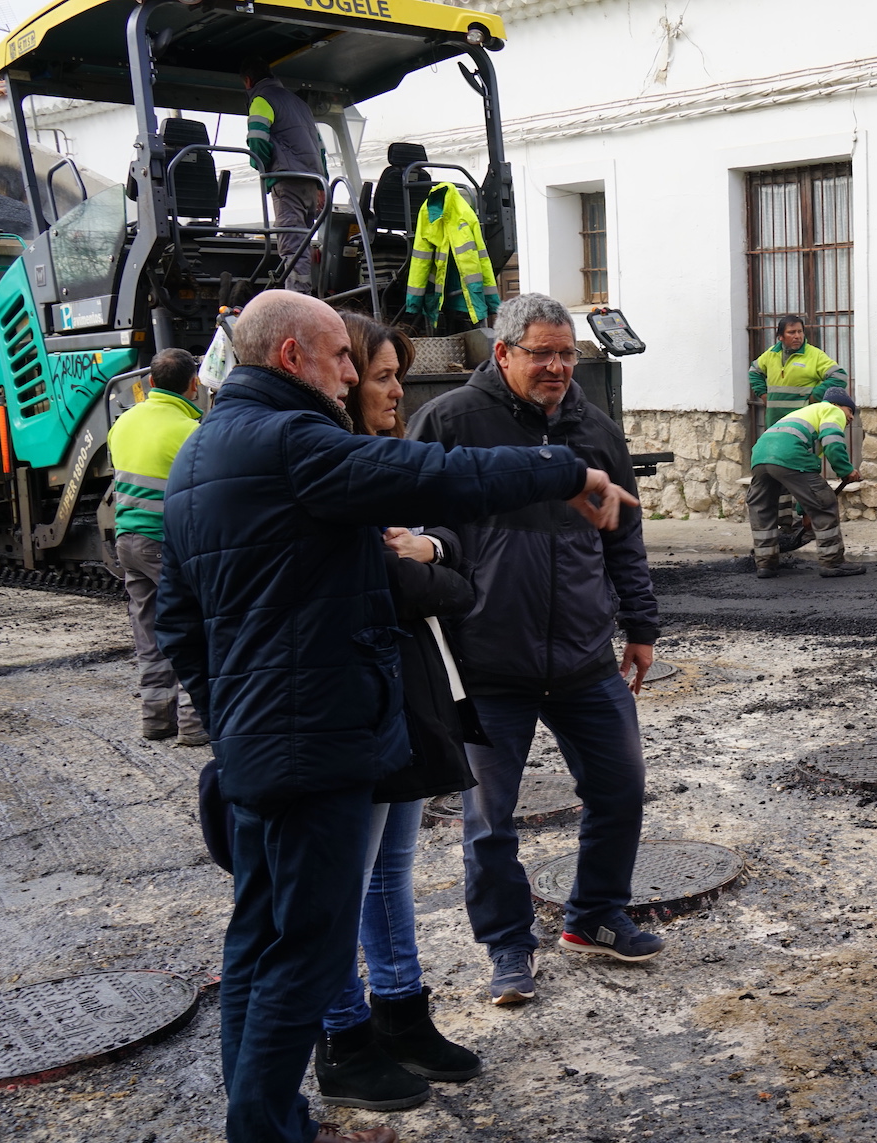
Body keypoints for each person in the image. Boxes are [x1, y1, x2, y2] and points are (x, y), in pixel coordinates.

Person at [155, 289, 634, 1143]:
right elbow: (438, 474)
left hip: (261, 743)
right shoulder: (295, 441)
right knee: (303, 954)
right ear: (293, 357)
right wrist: (567, 471)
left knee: (258, 943)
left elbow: (175, 622)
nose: (353, 373)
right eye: (343, 357)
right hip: (320, 744)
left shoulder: (200, 456)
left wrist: (233, 722)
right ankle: (264, 1130)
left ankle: (264, 1114)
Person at [408, 292, 665, 1002]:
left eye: (566, 353)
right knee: (491, 819)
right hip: (490, 662)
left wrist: (640, 625)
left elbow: (625, 536)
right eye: (541, 353)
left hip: (584, 658)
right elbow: (415, 537)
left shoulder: (595, 428)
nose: (557, 367)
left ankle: (595, 916)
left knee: (620, 789)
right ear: (502, 352)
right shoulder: (450, 422)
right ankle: (508, 949)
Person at [312, 313, 483, 1112]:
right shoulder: (332, 473)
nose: (392, 390)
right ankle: (345, 1040)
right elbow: (413, 586)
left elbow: (450, 554)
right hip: (357, 705)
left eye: (393, 375)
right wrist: (430, 565)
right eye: (381, 375)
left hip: (409, 697)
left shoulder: (384, 468)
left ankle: (402, 1012)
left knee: (390, 871)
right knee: (347, 882)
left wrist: (434, 550)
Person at [106, 347, 207, 745]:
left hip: (127, 541)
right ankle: (195, 724)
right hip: (165, 545)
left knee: (148, 632)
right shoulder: (190, 432)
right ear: (193, 384)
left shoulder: (123, 423)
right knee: (191, 629)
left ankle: (156, 720)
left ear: (150, 384)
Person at [748, 315, 849, 541]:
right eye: (792, 333)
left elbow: (839, 376)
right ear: (780, 336)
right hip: (776, 426)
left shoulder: (814, 355)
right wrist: (763, 395)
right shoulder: (771, 355)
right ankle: (786, 524)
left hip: (804, 428)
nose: (797, 336)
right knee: (777, 478)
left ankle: (805, 518)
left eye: (800, 332)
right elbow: (754, 371)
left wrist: (814, 396)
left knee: (804, 472)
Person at [746, 387, 863, 578]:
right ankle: (833, 563)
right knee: (824, 504)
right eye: (850, 412)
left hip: (760, 455)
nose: (850, 419)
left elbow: (805, 479)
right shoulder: (830, 410)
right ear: (836, 405)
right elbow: (832, 442)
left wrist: (805, 511)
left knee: (763, 510)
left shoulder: (802, 414)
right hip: (788, 454)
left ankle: (765, 564)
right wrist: (846, 470)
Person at [241, 56, 327, 293]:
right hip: (313, 182)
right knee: (304, 246)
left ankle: (297, 301)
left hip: (287, 182)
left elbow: (258, 139)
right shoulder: (301, 105)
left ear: (248, 81)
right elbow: (320, 147)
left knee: (292, 246)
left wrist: (263, 168)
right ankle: (305, 295)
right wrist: (322, 186)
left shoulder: (261, 99)